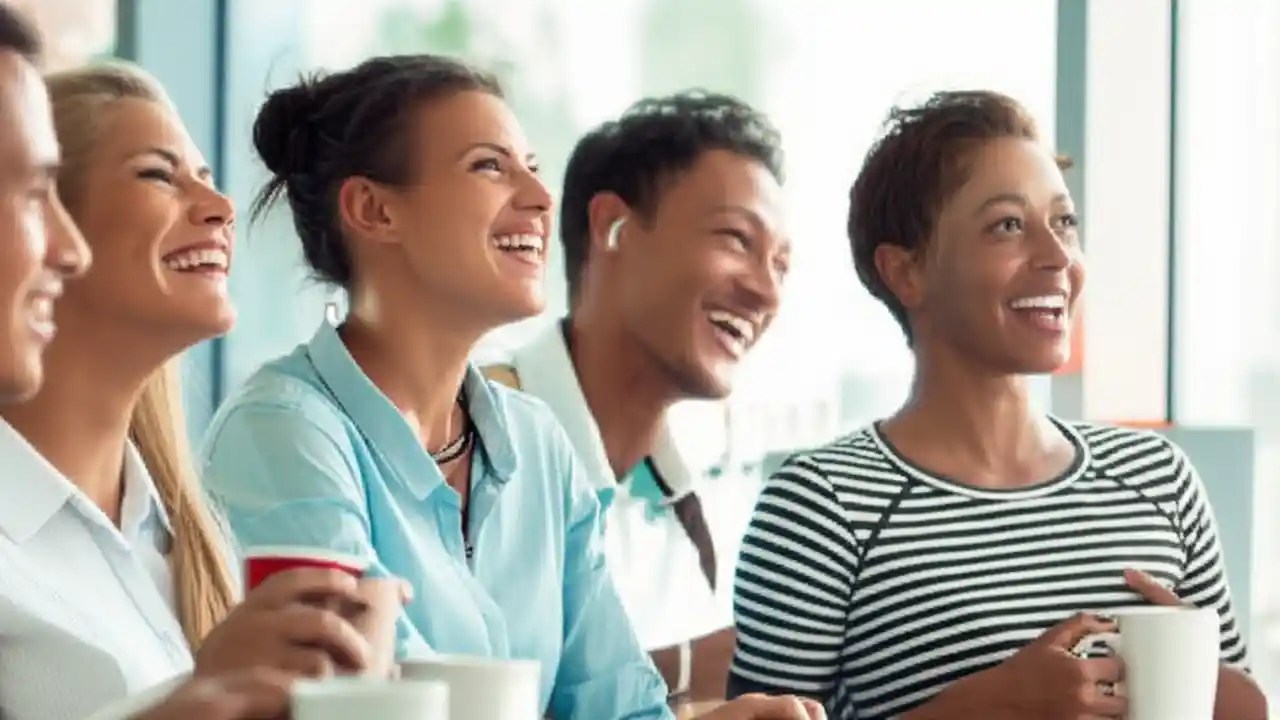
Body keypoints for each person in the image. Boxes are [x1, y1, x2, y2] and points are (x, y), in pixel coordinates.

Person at [201, 53, 822, 720]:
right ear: (374, 210)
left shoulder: (536, 444)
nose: (539, 196)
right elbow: (373, 705)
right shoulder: (284, 432)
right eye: (489, 166)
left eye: (530, 166)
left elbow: (615, 705)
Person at [727, 90, 1268, 720]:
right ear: (906, 273)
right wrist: (990, 707)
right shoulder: (821, 508)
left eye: (1064, 222)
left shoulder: (1159, 479)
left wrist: (1198, 668)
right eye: (1008, 225)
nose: (1058, 257)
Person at [0, 54, 375, 720]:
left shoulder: (191, 548)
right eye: (157, 175)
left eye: (205, 177)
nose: (223, 208)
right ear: (47, 222)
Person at [482, 90, 788, 706]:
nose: (764, 290)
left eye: (781, 264)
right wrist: (688, 667)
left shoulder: (687, 520)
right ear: (612, 227)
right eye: (735, 239)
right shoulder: (467, 438)